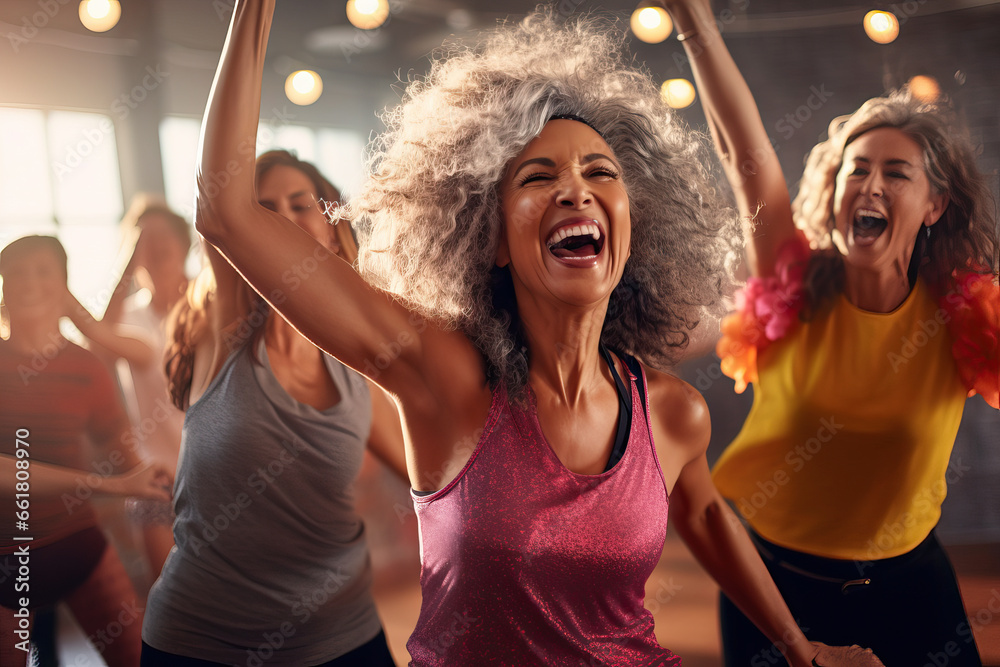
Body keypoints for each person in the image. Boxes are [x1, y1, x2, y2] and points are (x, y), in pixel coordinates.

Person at [190, 1, 885, 665]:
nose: (575, 191)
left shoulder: (673, 413)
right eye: (539, 175)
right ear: (491, 238)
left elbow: (704, 514)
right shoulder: (443, 377)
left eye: (599, 172)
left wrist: (799, 646)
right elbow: (226, 213)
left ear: (630, 230)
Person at [659, 0, 998, 664]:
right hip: (770, 579)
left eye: (894, 173)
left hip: (908, 577)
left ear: (934, 205)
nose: (868, 184)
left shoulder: (969, 317)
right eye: (857, 169)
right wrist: (691, 19)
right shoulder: (795, 287)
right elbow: (741, 153)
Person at [139, 149, 407, 667]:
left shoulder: (360, 362)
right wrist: (248, 59)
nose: (282, 218)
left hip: (344, 636)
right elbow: (217, 200)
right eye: (264, 208)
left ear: (332, 228)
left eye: (299, 204)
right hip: (203, 644)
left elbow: (435, 483)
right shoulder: (226, 327)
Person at [0, 235, 173, 667]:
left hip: (78, 545)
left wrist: (158, 485)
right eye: (16, 273)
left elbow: (123, 451)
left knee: (137, 658)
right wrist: (111, 485)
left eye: (43, 272)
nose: (28, 283)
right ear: (2, 286)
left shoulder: (87, 367)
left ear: (64, 286)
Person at [87, 196, 192, 582]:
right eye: (144, 237)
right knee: (169, 593)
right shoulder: (127, 314)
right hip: (155, 478)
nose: (157, 243)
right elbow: (97, 353)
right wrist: (126, 265)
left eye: (165, 235)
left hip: (216, 471)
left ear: (184, 244)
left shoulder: (209, 303)